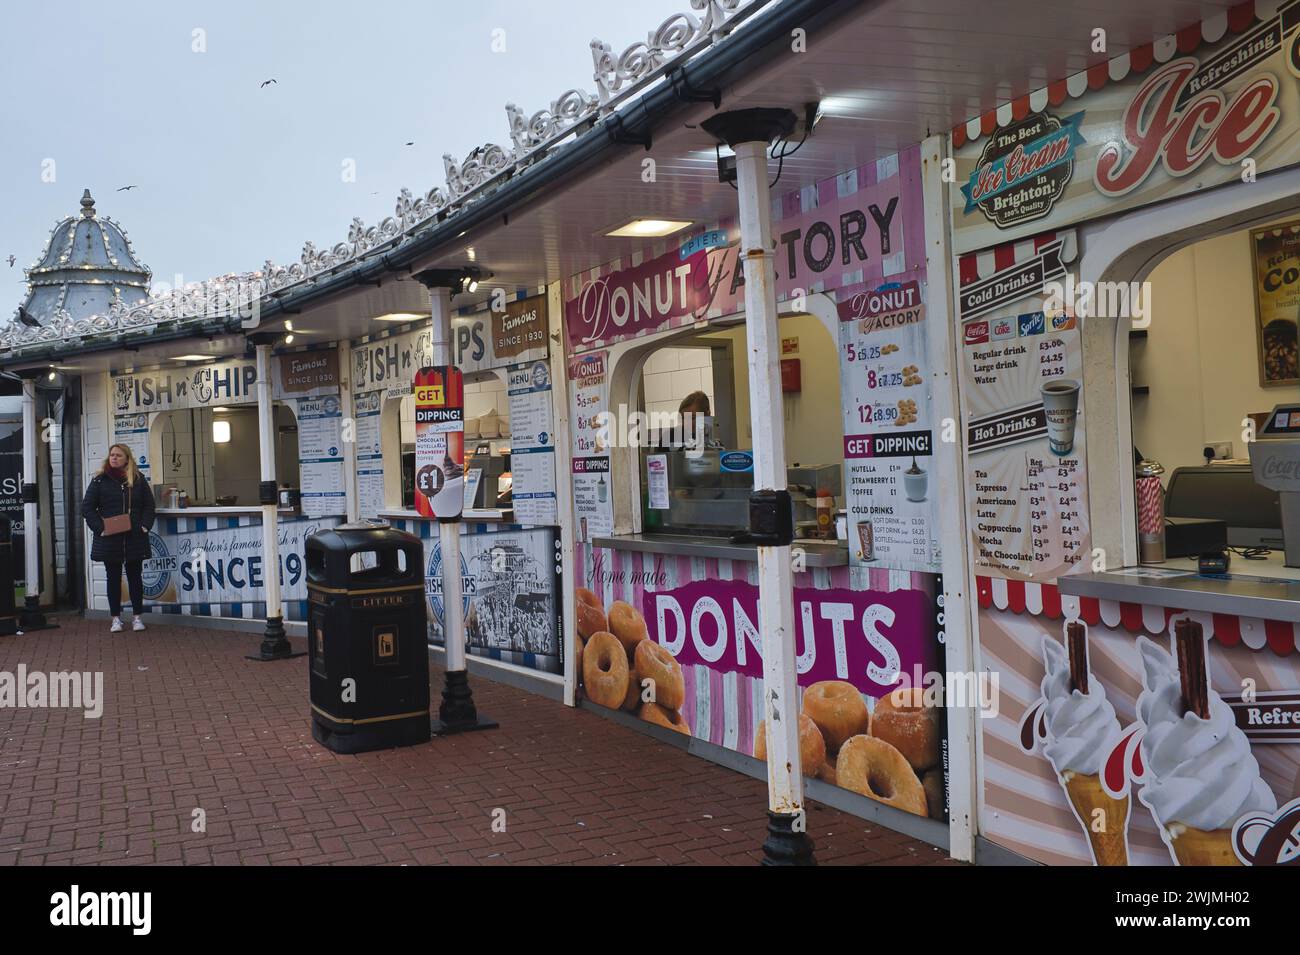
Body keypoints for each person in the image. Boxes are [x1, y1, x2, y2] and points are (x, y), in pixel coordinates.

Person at [81, 444, 156, 633]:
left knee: (135, 578)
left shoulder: (137, 480)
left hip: (134, 537)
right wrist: (101, 529)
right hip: (109, 539)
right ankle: (116, 619)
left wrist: (145, 526)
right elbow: (87, 508)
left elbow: (149, 505)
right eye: (112, 455)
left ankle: (137, 618)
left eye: (118, 455)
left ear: (126, 459)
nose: (114, 458)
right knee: (113, 579)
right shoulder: (99, 480)